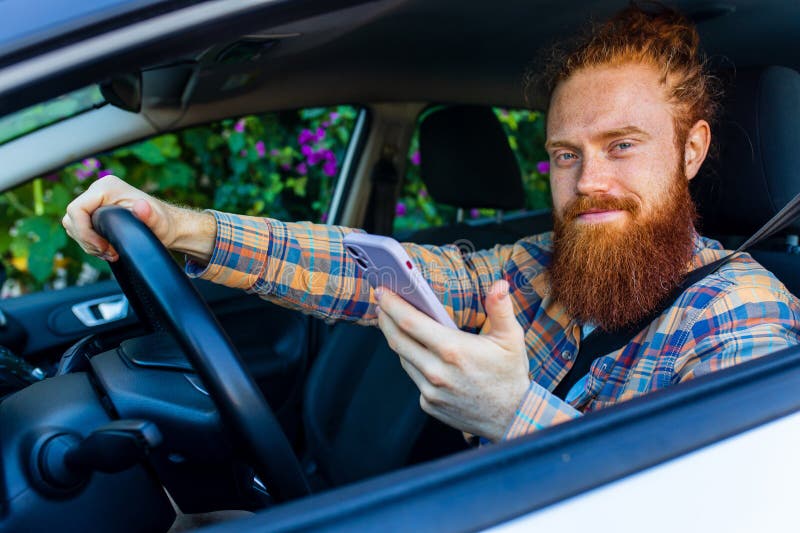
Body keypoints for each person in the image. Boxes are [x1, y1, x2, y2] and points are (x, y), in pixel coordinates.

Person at [62, 5, 800, 443]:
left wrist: (514, 414)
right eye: (565, 154)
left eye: (623, 146)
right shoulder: (536, 267)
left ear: (692, 150)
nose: (590, 181)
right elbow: (361, 268)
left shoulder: (741, 314)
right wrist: (182, 226)